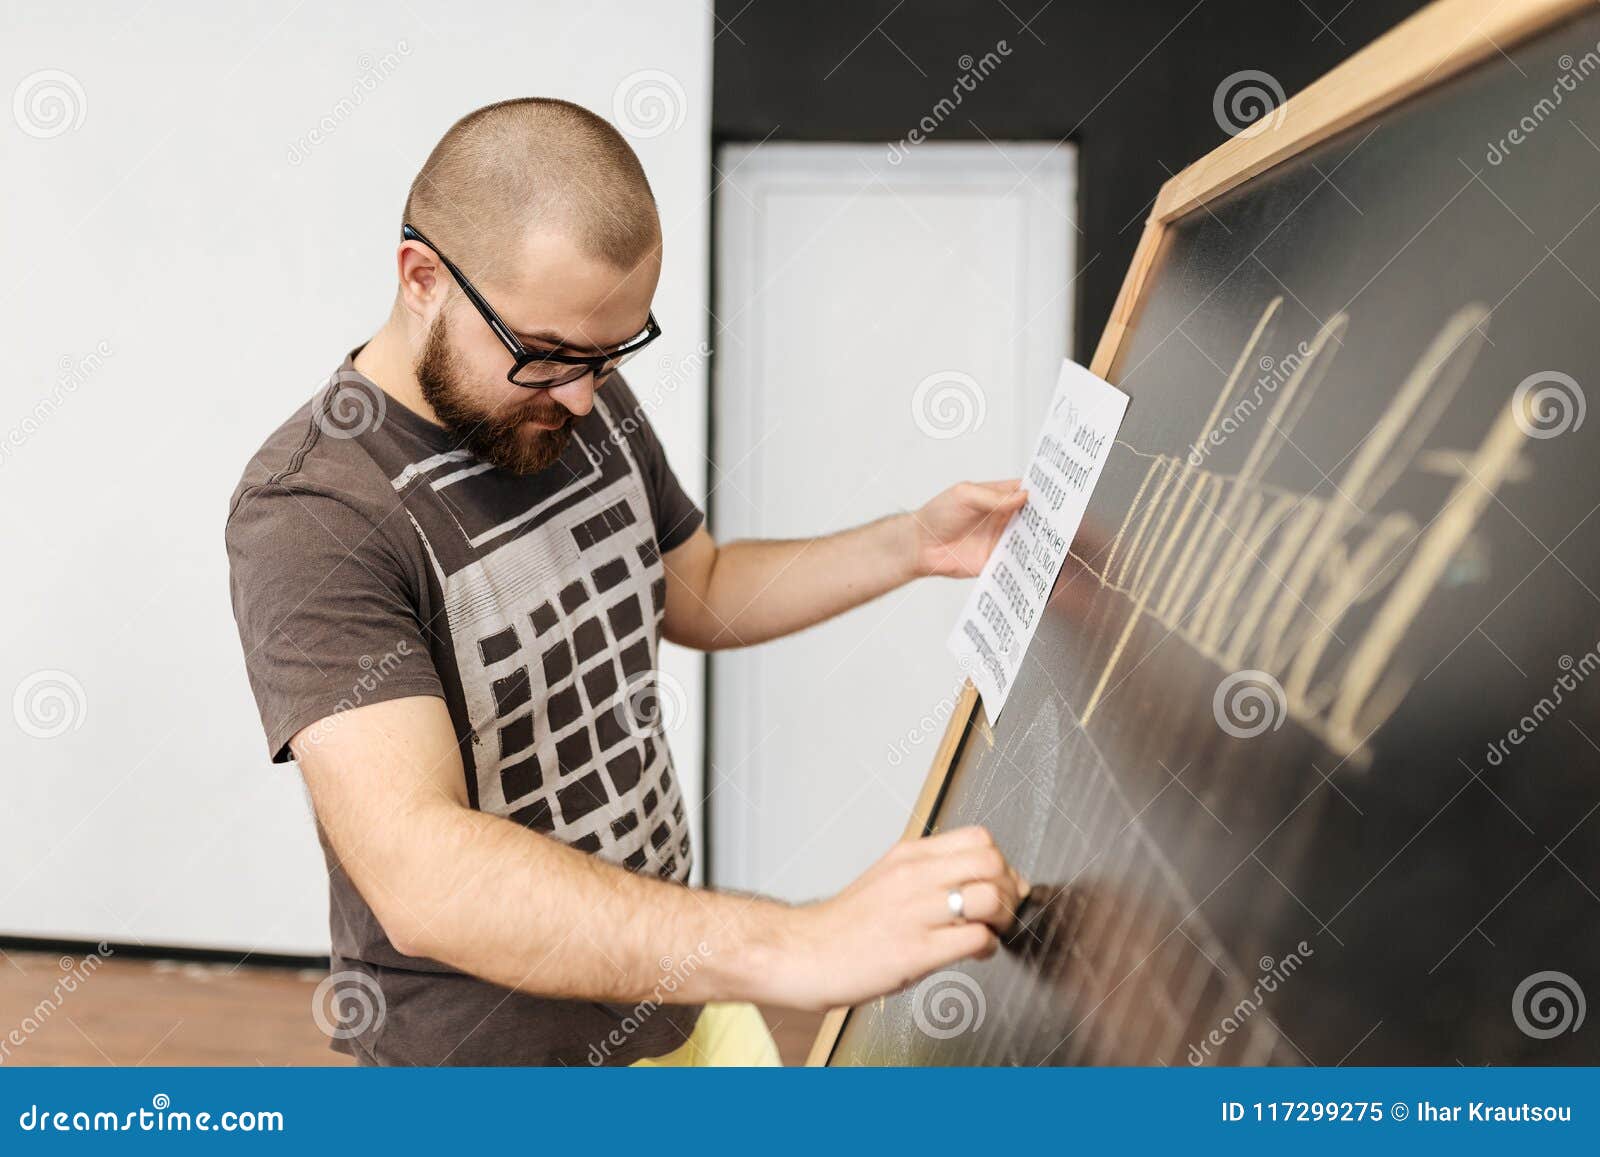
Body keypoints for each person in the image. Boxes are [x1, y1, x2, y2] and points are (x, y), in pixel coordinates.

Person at [225, 96, 1028, 1066]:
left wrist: (912, 542)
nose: (580, 394)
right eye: (547, 357)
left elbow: (700, 585)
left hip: (680, 1004)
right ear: (422, 278)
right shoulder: (314, 507)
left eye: (609, 356)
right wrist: (800, 941)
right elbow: (419, 871)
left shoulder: (574, 391)